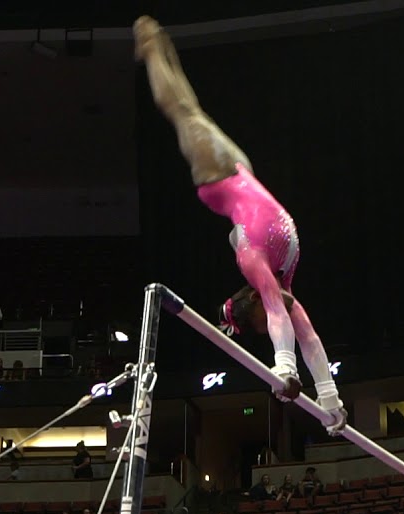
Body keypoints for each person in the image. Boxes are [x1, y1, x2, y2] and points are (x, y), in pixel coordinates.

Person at [133, 15, 346, 434]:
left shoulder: (263, 266)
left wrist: (305, 382)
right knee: (184, 110)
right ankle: (156, 45)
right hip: (232, 171)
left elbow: (292, 325)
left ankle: (155, 46)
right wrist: (314, 388)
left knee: (182, 111)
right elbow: (304, 334)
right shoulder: (275, 275)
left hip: (224, 174)